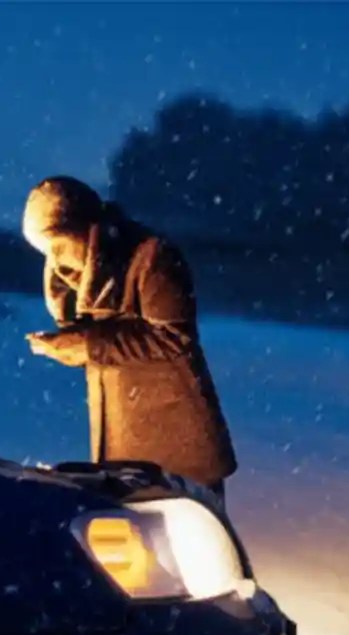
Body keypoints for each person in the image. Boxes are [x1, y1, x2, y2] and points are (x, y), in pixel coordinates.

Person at [22, 176, 237, 499]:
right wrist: (72, 343)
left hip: (178, 446)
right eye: (45, 252)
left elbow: (173, 339)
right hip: (126, 446)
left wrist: (86, 345)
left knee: (185, 542)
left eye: (58, 247)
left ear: (85, 231)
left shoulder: (151, 257)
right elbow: (111, 343)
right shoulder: (89, 277)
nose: (54, 261)